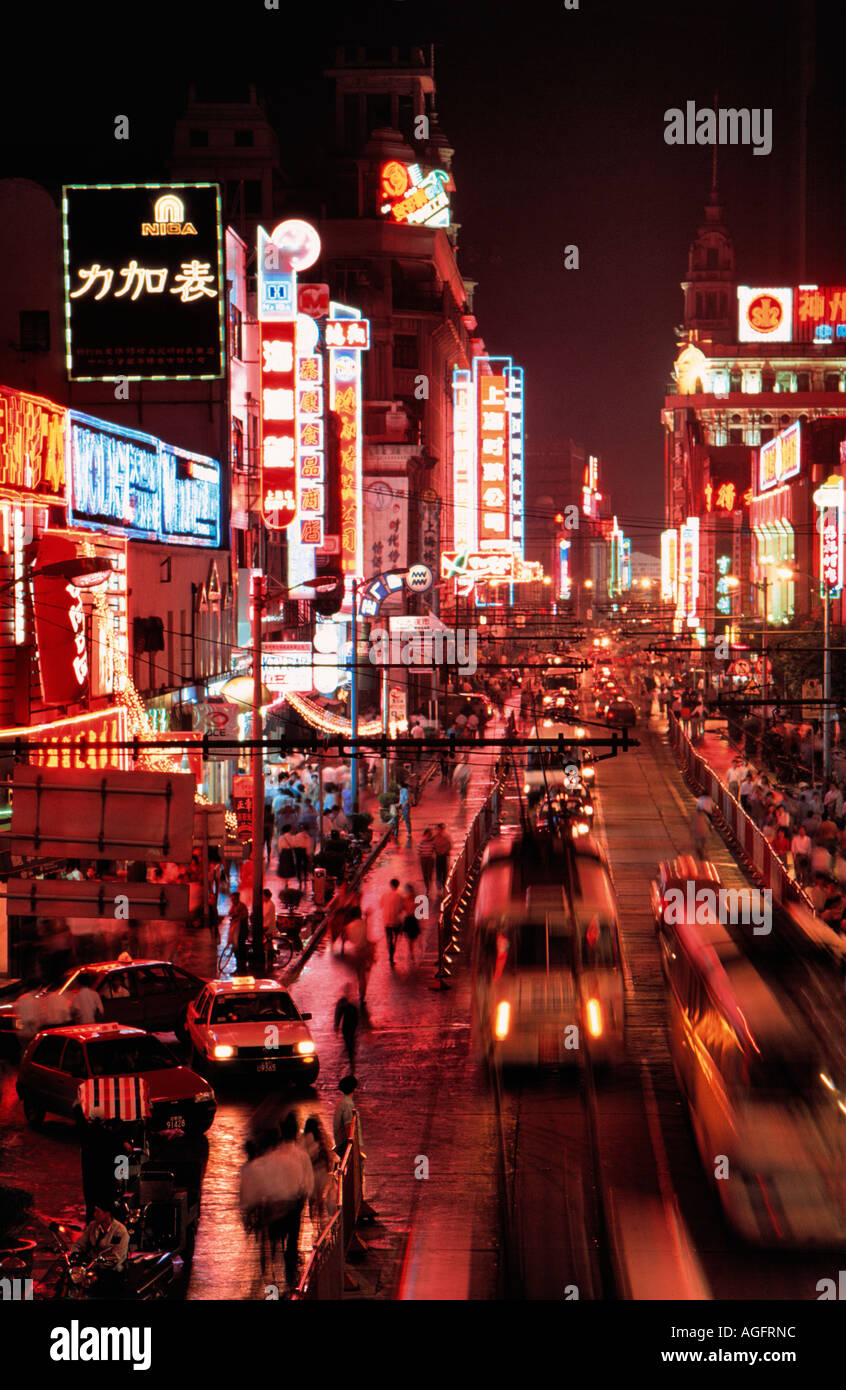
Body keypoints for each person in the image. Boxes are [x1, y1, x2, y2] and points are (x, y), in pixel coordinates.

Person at [265, 1114, 314, 1289]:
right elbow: (308, 1184)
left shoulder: (272, 1155)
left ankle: (274, 1287)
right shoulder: (301, 1156)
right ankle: (290, 1283)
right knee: (292, 1247)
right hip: (293, 1206)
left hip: (275, 1206)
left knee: (275, 1249)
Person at [73, 1201, 130, 1292]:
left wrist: (98, 1264)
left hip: (111, 1272)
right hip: (91, 1268)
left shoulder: (120, 1231)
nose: (94, 1214)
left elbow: (116, 1258)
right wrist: (74, 1254)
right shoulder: (93, 1226)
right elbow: (80, 1243)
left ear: (107, 1213)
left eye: (98, 1212)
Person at [302, 1115, 334, 1228]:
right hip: (323, 1172)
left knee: (311, 1200)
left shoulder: (305, 1139)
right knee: (320, 1198)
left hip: (312, 1173)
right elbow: (330, 1153)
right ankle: (321, 1223)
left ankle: (314, 1223)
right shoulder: (322, 1137)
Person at [333, 1075, 363, 1163]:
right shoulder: (348, 1104)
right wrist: (352, 1148)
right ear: (354, 1088)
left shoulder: (342, 1102)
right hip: (345, 1145)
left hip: (341, 1143)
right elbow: (348, 1126)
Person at [334, 983, 360, 1067]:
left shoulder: (348, 1007)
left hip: (348, 1025)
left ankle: (350, 1050)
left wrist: (336, 1025)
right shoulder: (350, 1007)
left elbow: (338, 1015)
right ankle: (350, 1051)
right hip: (349, 1025)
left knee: (349, 1038)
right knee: (350, 1038)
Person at [380, 878, 403, 966]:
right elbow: (401, 909)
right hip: (396, 921)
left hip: (386, 921)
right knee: (395, 939)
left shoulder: (385, 895)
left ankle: (390, 954)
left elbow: (381, 905)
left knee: (389, 939)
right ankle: (392, 951)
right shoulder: (399, 896)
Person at [227, 891, 250, 972]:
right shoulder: (234, 906)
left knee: (240, 950)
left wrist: (236, 916)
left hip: (241, 931)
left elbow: (244, 916)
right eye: (231, 899)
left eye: (233, 899)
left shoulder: (242, 906)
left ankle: (241, 968)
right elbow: (230, 913)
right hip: (235, 931)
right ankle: (238, 967)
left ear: (237, 899)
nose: (232, 901)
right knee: (236, 950)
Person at [400, 881, 421, 965]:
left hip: (409, 919)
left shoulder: (406, 899)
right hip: (412, 919)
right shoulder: (415, 899)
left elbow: (403, 909)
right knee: (412, 938)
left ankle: (411, 950)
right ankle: (411, 951)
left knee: (411, 938)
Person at [433, 823, 452, 893]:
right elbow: (433, 847)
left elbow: (449, 846)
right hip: (438, 856)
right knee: (438, 871)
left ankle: (444, 884)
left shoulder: (446, 838)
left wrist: (444, 851)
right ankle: (439, 884)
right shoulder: (435, 838)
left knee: (444, 871)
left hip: (444, 856)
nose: (439, 831)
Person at [418, 827, 436, 897]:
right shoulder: (421, 842)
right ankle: (427, 887)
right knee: (425, 874)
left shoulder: (433, 841)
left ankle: (429, 886)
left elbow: (435, 850)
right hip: (423, 859)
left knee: (429, 873)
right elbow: (419, 851)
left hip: (430, 859)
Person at [262, 888, 277, 964]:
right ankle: (270, 955)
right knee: (267, 941)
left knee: (268, 941)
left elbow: (268, 916)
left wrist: (266, 926)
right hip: (265, 924)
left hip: (268, 926)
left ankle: (270, 956)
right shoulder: (265, 904)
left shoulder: (270, 905)